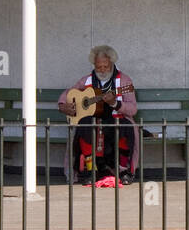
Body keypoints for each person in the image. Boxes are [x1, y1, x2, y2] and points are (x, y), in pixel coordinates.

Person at [58, 46, 138, 185]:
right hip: (94, 120)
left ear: (112, 64)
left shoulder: (124, 82)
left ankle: (123, 170)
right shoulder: (86, 80)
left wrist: (115, 104)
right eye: (98, 66)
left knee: (124, 126)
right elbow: (69, 93)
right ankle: (90, 170)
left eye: (105, 66)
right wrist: (63, 105)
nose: (102, 70)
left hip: (115, 119)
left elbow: (132, 109)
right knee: (85, 124)